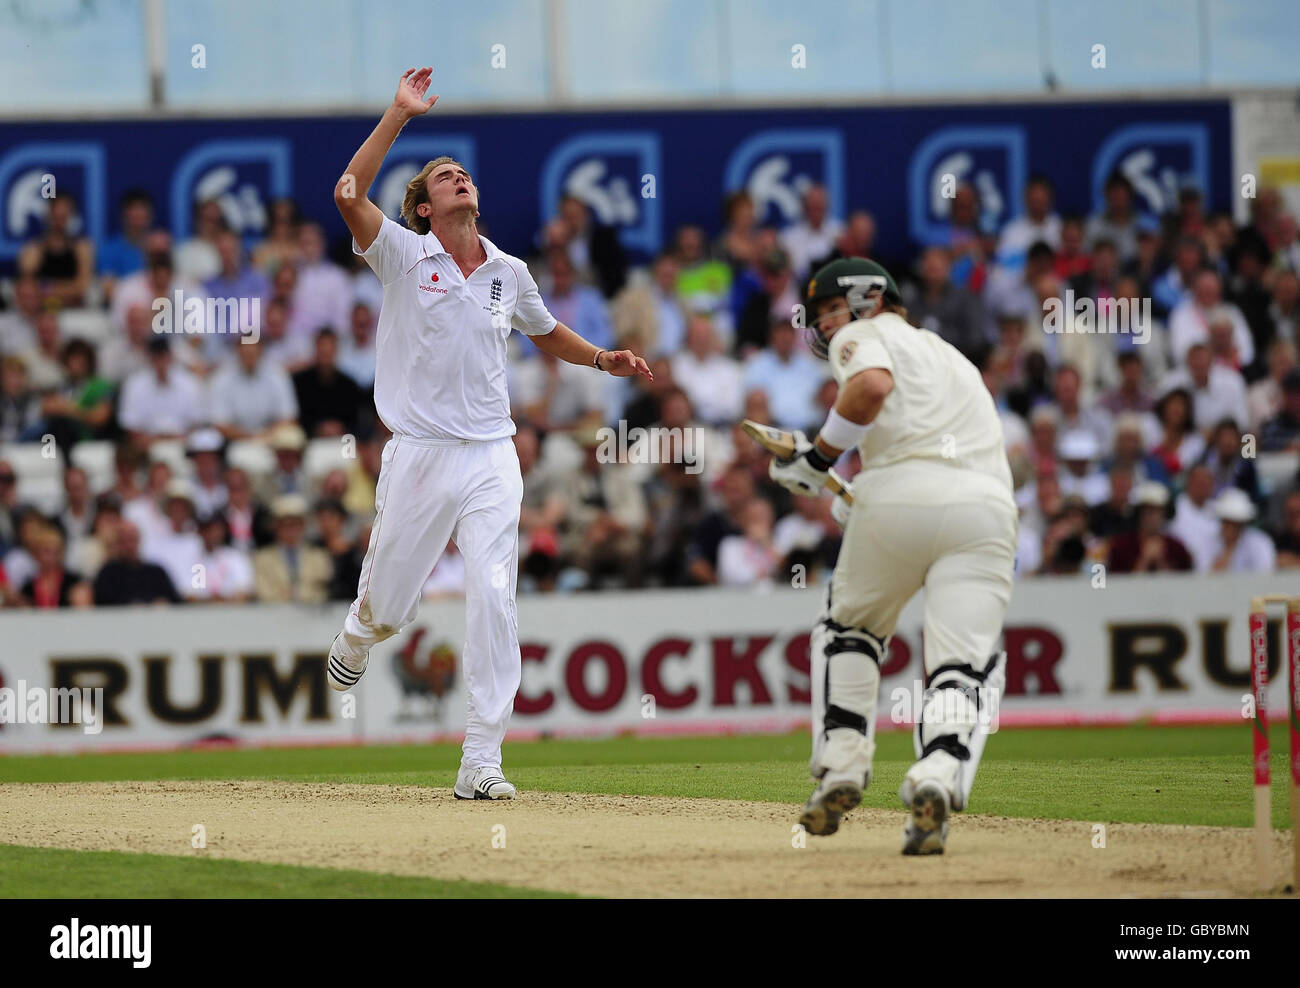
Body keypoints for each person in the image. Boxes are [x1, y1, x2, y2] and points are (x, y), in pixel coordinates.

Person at [328, 67, 651, 801]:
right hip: (418, 454)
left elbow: (545, 333)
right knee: (391, 605)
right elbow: (347, 195)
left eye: (463, 173)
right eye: (443, 178)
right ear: (422, 208)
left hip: (490, 457)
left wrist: (602, 358)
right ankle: (358, 630)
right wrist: (398, 116)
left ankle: (482, 757)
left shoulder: (509, 270)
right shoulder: (404, 256)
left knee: (494, 592)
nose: (458, 179)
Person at [768, 257, 1017, 855]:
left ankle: (845, 764)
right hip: (987, 510)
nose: (825, 326)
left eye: (830, 310)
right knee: (962, 665)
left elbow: (873, 387)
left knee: (848, 629)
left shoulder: (863, 334)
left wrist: (819, 460)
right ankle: (937, 774)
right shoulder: (950, 355)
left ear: (866, 300)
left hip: (901, 496)